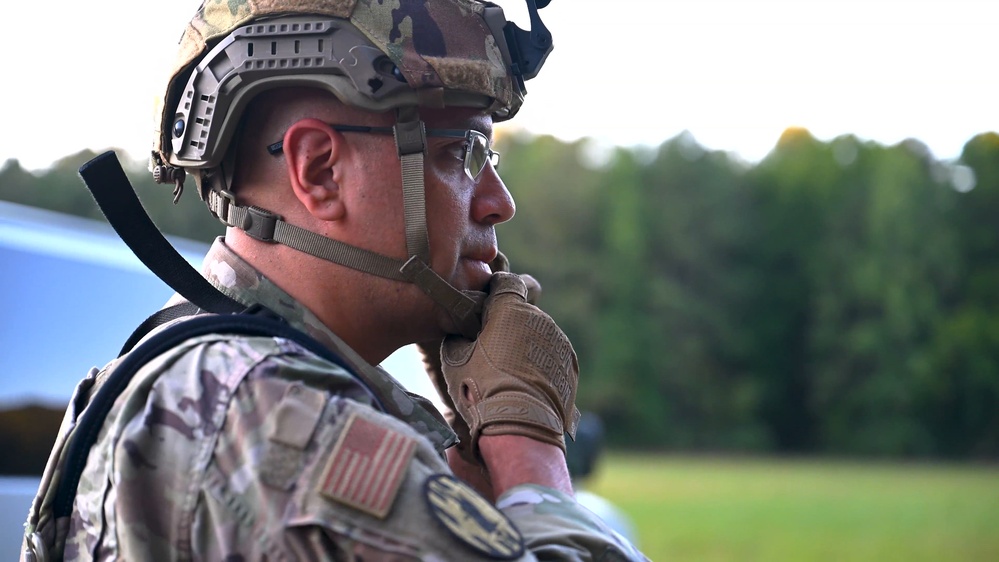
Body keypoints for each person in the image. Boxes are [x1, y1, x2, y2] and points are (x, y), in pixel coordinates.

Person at [22, 1, 647, 560]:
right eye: (462, 153)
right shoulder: (276, 421)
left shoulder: (185, 368)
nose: (497, 202)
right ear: (319, 171)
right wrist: (527, 445)